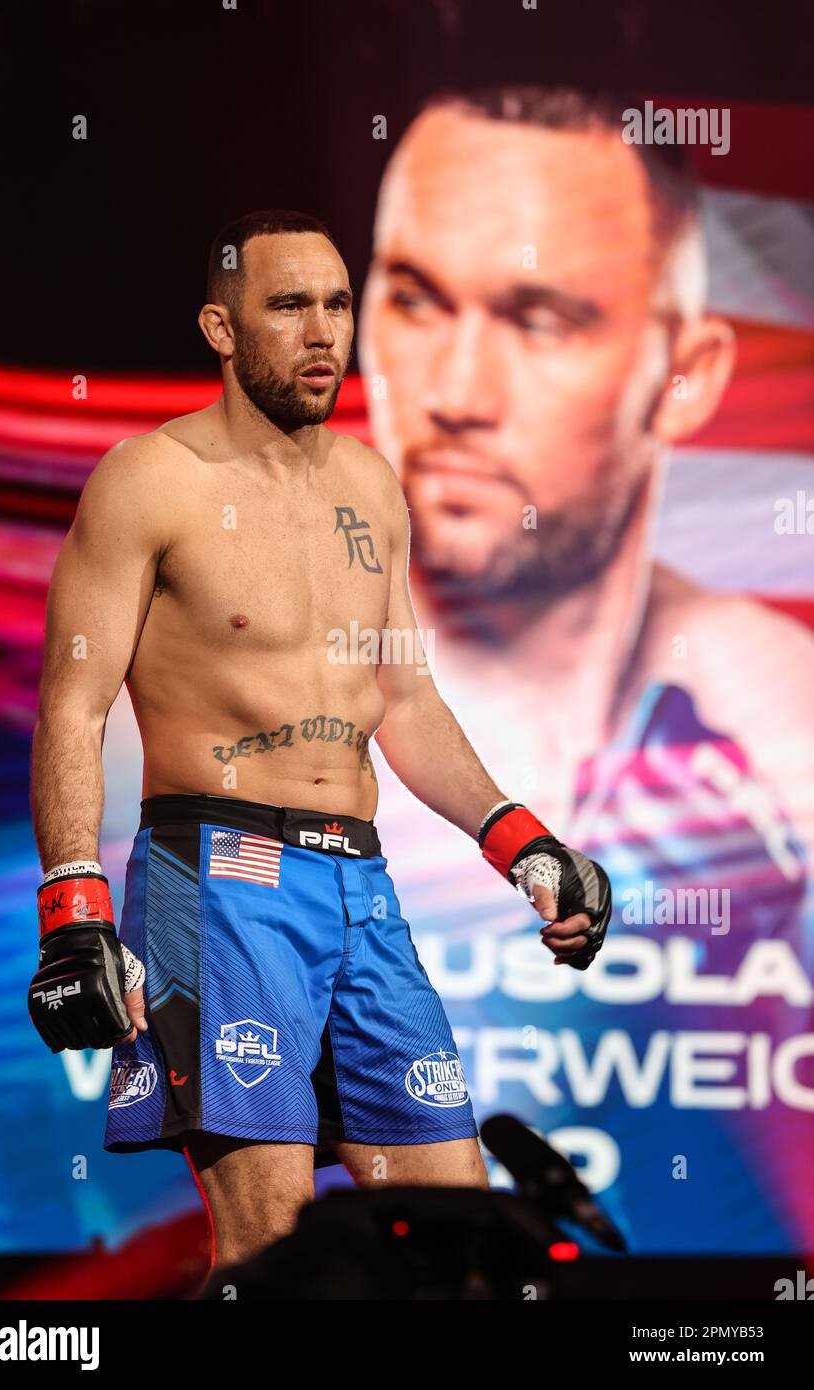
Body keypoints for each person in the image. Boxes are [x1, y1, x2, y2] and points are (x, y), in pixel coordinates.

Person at [27, 209, 611, 1273]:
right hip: (215, 874)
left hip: (360, 888)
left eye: (336, 304)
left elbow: (406, 699)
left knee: (458, 1241)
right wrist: (72, 907)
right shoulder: (149, 479)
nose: (321, 331)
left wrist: (521, 844)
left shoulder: (368, 487)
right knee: (271, 1252)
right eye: (288, 305)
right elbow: (72, 703)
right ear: (220, 325)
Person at [358, 87, 814, 1250]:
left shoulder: (784, 738)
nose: (452, 392)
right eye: (411, 299)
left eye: (540, 317)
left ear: (687, 374)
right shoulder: (151, 729)